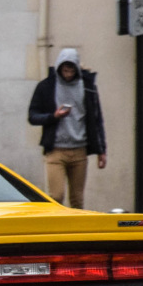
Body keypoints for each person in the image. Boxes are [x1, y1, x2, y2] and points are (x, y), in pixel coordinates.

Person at [27, 48, 107, 209]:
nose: (68, 74)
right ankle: (55, 225)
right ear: (59, 68)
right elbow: (32, 116)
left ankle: (76, 226)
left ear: (77, 69)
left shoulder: (88, 87)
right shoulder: (46, 86)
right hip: (56, 150)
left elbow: (97, 119)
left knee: (77, 199)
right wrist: (53, 116)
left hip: (79, 151)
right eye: (65, 70)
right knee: (56, 196)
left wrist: (102, 150)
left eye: (72, 70)